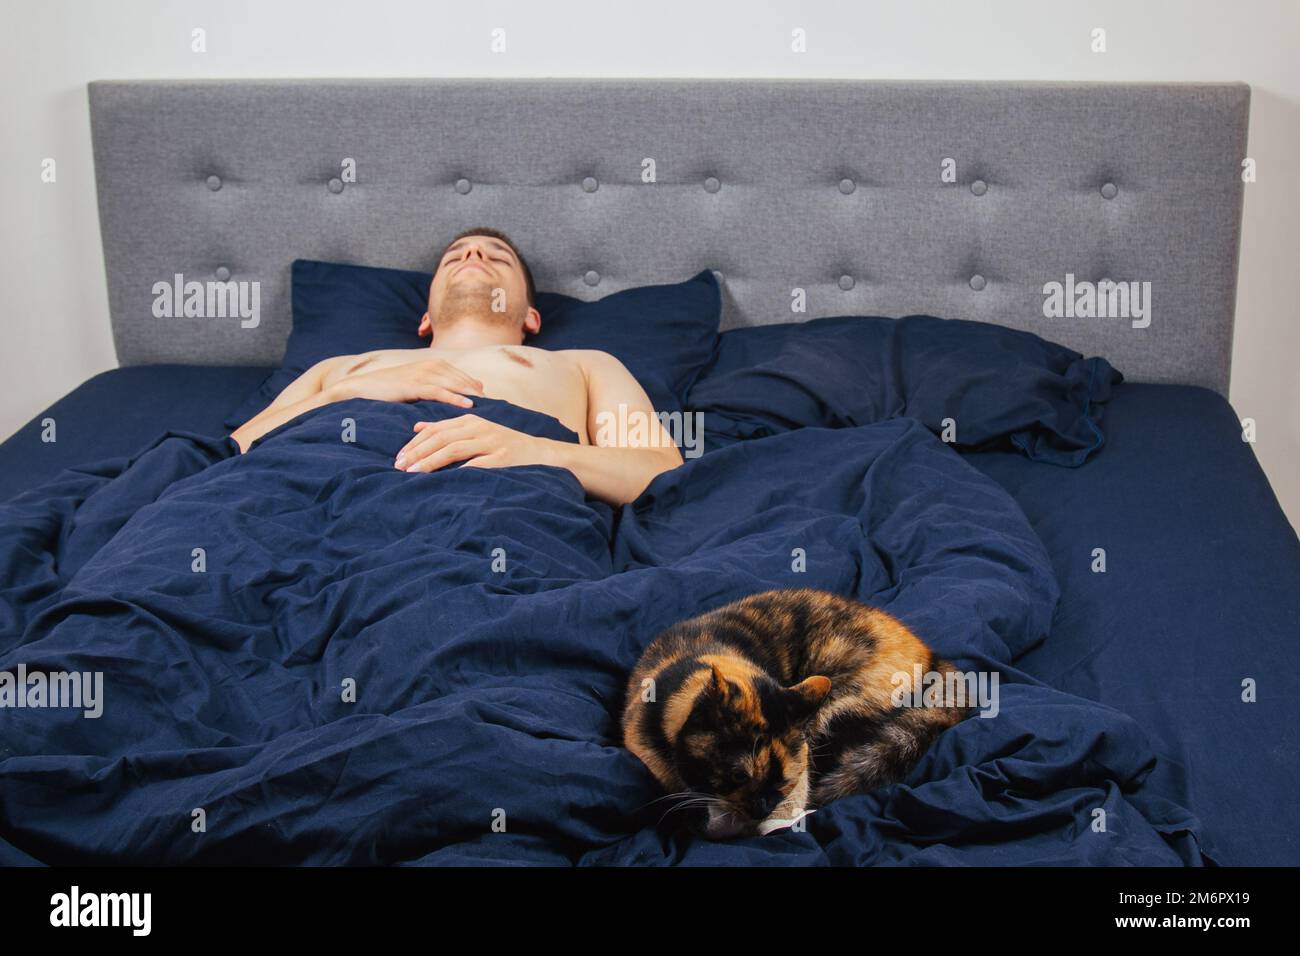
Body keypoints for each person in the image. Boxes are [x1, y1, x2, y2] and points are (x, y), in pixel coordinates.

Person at [231, 228, 683, 505]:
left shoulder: (583, 365)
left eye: (496, 256)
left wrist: (538, 451)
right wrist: (349, 392)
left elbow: (659, 471)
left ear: (531, 316)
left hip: (486, 499)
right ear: (424, 319)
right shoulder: (343, 369)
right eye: (457, 256)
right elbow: (235, 450)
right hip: (302, 484)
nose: (473, 256)